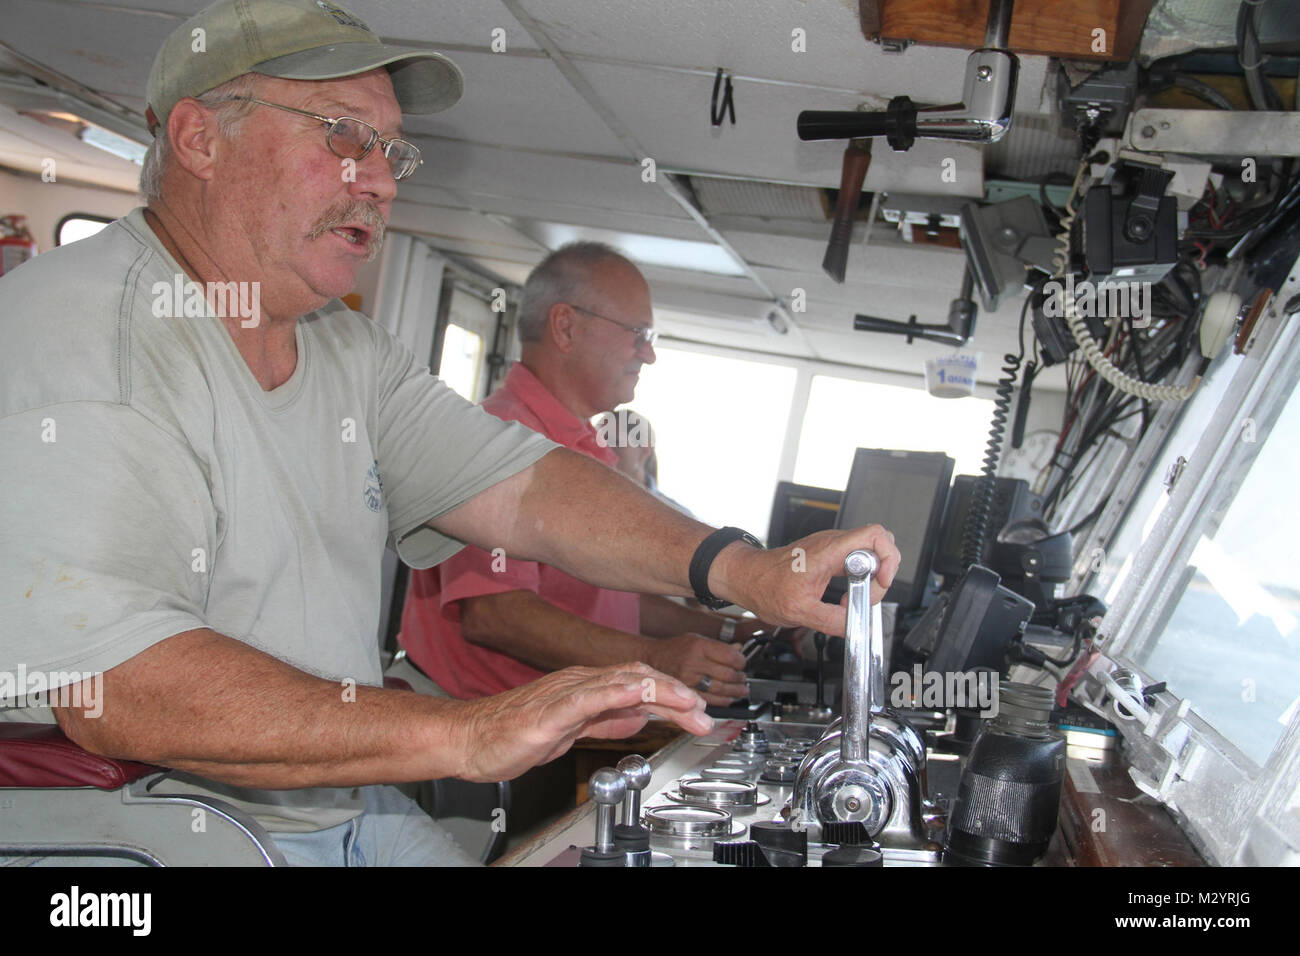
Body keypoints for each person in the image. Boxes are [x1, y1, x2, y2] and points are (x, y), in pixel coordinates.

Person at [0, 0, 899, 866]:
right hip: (159, 827)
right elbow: (123, 689)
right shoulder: (84, 339)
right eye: (343, 134)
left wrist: (745, 569)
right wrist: (470, 732)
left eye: (391, 150)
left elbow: (524, 488)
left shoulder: (339, 344)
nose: (384, 178)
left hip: (336, 805)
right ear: (200, 138)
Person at [399, 247, 762, 707]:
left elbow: (611, 600)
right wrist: (655, 658)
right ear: (566, 326)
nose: (648, 354)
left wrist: (733, 630)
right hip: (473, 751)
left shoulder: (585, 448)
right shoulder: (493, 442)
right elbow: (496, 614)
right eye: (638, 333)